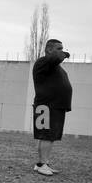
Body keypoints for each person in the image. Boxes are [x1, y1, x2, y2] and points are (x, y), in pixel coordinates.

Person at [32, 39, 72, 175]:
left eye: (62, 48)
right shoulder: (43, 62)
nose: (62, 51)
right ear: (49, 50)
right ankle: (43, 164)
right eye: (58, 48)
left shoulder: (53, 66)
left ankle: (41, 163)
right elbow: (56, 58)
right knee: (46, 135)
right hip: (47, 105)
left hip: (54, 106)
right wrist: (64, 54)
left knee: (47, 136)